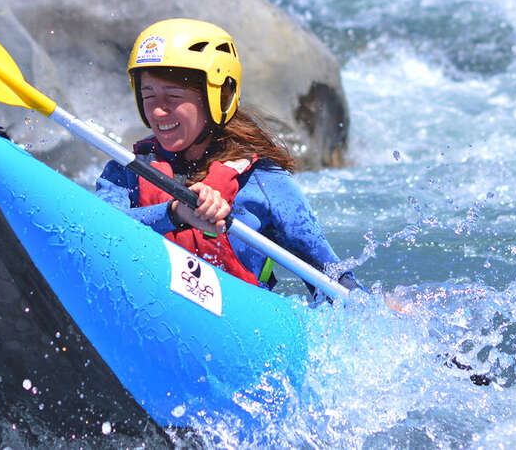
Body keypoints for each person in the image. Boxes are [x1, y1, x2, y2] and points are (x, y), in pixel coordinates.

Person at [95, 18, 362, 300]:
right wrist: (174, 214)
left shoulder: (264, 182)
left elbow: (331, 277)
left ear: (217, 97)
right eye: (148, 96)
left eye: (173, 96)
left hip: (234, 317)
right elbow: (99, 231)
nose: (158, 111)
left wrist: (367, 303)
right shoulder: (125, 172)